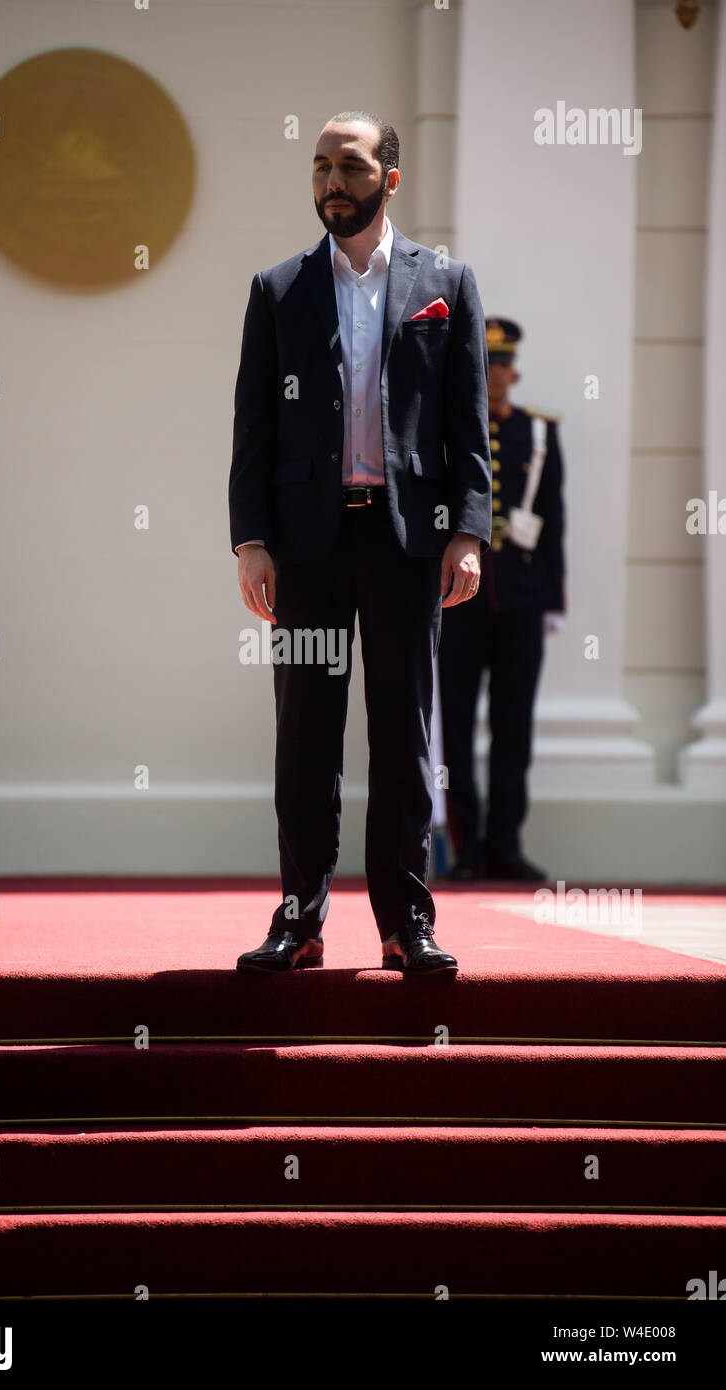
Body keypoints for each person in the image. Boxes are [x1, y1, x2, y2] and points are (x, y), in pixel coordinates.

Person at [228, 111, 491, 974]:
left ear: (389, 178)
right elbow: (253, 428)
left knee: (403, 735)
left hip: (404, 542)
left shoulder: (443, 282)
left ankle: (404, 923)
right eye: (318, 168)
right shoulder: (277, 289)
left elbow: (468, 427)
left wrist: (467, 531)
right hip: (304, 546)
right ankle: (298, 922)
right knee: (304, 731)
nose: (331, 183)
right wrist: (251, 541)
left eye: (348, 166)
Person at [438, 318, 566, 882]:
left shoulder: (538, 435)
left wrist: (554, 598)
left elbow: (553, 519)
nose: (495, 377)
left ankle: (506, 846)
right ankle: (466, 849)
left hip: (520, 601)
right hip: (459, 602)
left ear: (514, 371)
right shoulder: (446, 427)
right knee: (457, 726)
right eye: (485, 366)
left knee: (515, 726)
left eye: (503, 366)